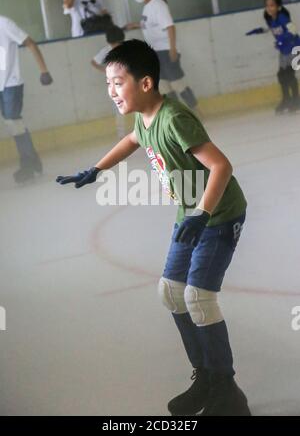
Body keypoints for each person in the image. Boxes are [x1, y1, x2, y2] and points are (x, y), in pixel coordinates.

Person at [56, 39, 250, 416]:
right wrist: (97, 169)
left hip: (219, 214)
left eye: (118, 82)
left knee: (198, 297)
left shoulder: (174, 117)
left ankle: (227, 391)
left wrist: (203, 214)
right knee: (171, 293)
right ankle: (206, 376)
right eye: (108, 83)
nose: (111, 91)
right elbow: (132, 139)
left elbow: (221, 167)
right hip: (190, 213)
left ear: (145, 84)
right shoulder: (144, 118)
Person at [125, 0, 199, 114]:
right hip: (156, 52)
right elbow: (150, 24)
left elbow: (170, 26)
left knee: (177, 83)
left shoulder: (158, 5)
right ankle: (179, 114)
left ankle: (195, 110)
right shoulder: (147, 7)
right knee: (164, 86)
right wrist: (136, 25)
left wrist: (172, 49)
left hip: (166, 50)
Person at [0, 15, 53, 183]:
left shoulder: (4, 23)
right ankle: (33, 160)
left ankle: (28, 164)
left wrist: (44, 71)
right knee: (14, 124)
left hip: (11, 83)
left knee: (13, 123)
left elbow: (30, 42)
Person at [246, 0, 300, 114]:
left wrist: (281, 40)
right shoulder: (271, 19)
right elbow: (271, 29)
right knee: (281, 75)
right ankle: (287, 99)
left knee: (289, 75)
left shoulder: (282, 17)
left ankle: (296, 100)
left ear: (278, 6)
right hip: (284, 51)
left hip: (295, 48)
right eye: (267, 5)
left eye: (272, 5)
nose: (269, 8)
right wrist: (258, 31)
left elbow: (293, 30)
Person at [91, 25, 126, 139]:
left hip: (128, 81)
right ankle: (121, 133)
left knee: (137, 104)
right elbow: (93, 62)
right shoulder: (106, 50)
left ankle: (145, 127)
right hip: (116, 84)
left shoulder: (127, 48)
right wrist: (105, 71)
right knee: (119, 108)